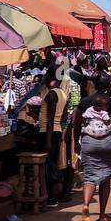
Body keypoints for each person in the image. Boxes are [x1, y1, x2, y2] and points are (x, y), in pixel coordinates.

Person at [72, 88, 111, 221]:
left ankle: (86, 205)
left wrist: (76, 142)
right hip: (108, 143)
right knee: (105, 178)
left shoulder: (85, 103)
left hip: (89, 143)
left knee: (89, 177)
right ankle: (102, 214)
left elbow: (76, 124)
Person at [36, 67, 69, 207]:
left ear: (51, 78)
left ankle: (50, 197)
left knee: (48, 166)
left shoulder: (51, 95)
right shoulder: (63, 94)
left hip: (47, 132)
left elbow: (50, 119)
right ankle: (52, 198)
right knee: (52, 164)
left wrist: (48, 140)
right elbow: (64, 117)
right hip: (56, 131)